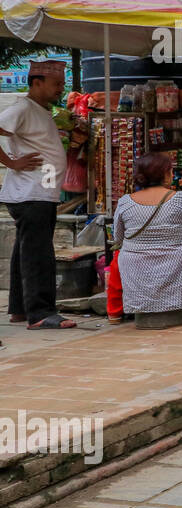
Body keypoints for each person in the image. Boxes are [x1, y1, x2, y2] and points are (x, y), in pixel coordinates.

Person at [106, 153, 182, 323]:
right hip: (179, 260)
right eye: (170, 171)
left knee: (118, 259)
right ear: (165, 174)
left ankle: (114, 315)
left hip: (135, 261)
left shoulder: (125, 202)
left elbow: (118, 238)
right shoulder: (181, 199)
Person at [0, 66, 75, 329]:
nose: (60, 88)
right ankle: (41, 313)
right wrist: (11, 162)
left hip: (39, 191)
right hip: (31, 192)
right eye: (56, 83)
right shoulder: (22, 108)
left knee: (26, 250)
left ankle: (20, 309)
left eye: (61, 83)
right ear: (37, 82)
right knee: (38, 253)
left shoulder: (41, 111)